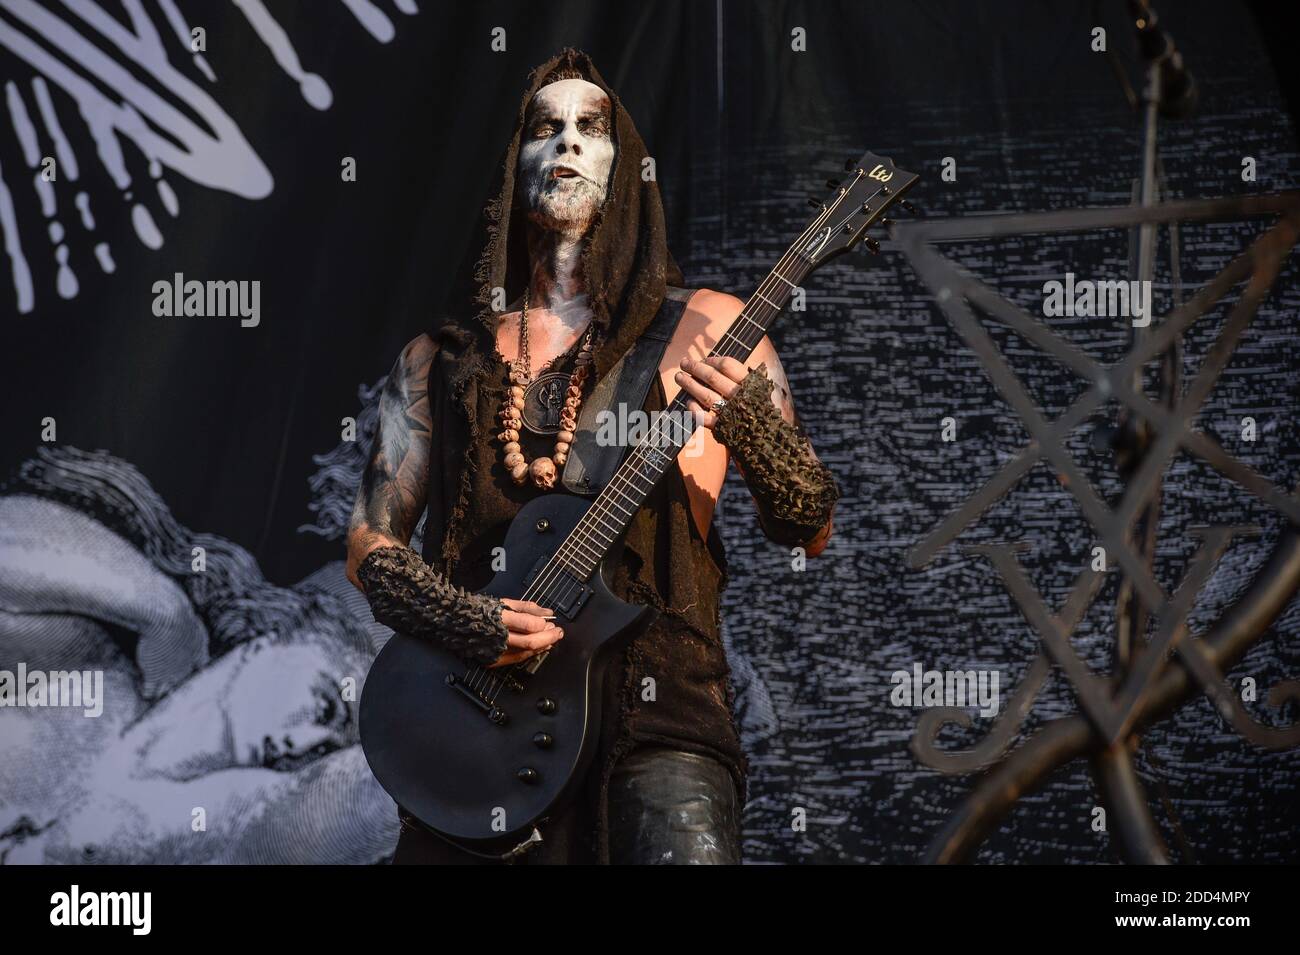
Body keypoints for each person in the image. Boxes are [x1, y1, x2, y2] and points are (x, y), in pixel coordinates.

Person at [346, 48, 840, 865]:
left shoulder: (713, 326)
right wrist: (467, 622)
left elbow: (811, 528)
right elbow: (369, 547)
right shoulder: (442, 357)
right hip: (480, 727)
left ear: (625, 164)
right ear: (516, 163)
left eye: (590, 128)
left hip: (661, 725)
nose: (568, 143)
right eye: (546, 128)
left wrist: (751, 420)